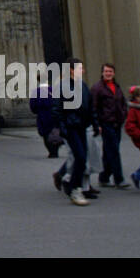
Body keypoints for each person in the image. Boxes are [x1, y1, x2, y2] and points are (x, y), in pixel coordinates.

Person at [54, 59, 96, 205]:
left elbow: (89, 106)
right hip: (71, 127)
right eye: (80, 68)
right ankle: (75, 189)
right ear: (71, 70)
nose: (83, 71)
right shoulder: (63, 86)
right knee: (80, 157)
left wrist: (94, 124)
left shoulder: (83, 86)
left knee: (82, 159)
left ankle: (72, 185)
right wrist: (63, 127)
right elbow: (57, 109)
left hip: (81, 126)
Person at [91, 62, 129, 188]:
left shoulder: (116, 86)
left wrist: (123, 115)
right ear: (102, 73)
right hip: (105, 122)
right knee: (113, 150)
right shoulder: (97, 88)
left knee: (109, 150)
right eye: (106, 71)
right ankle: (119, 179)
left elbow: (122, 102)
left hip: (117, 122)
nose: (108, 73)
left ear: (114, 73)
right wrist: (97, 124)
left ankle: (104, 176)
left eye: (110, 71)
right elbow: (93, 107)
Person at [29, 77, 63, 158]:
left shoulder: (36, 92)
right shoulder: (53, 90)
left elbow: (33, 106)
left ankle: (51, 151)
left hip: (43, 117)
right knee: (55, 132)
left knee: (46, 134)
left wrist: (38, 111)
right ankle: (55, 149)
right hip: (54, 115)